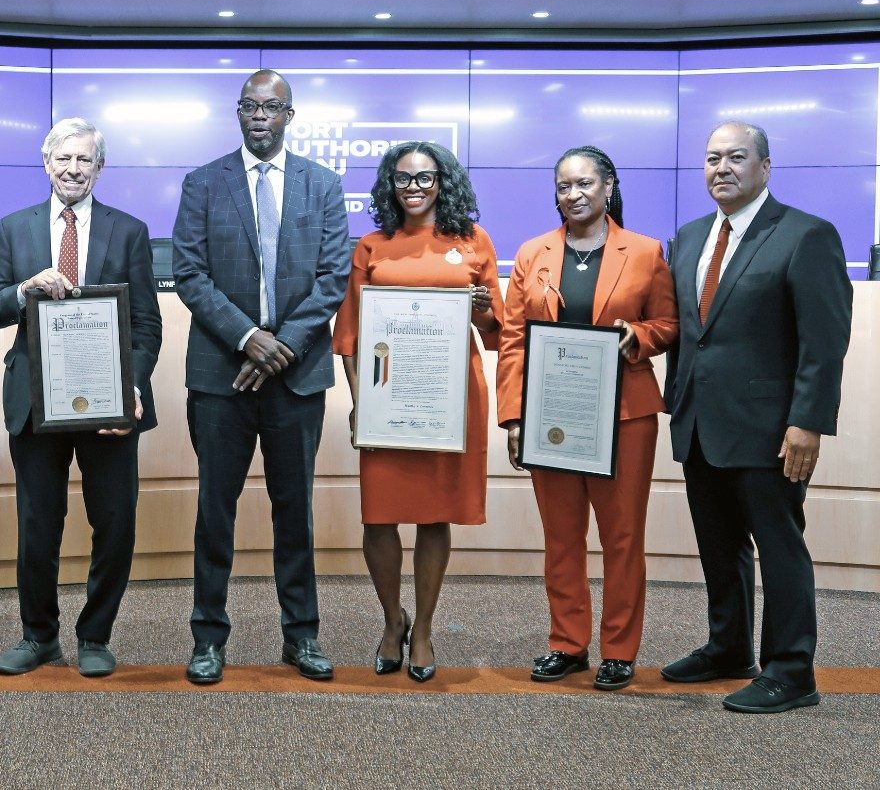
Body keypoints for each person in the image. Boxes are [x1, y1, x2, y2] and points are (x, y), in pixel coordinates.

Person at [661, 122, 851, 713]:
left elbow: (825, 340)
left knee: (779, 547)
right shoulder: (689, 237)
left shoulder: (805, 234)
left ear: (764, 167)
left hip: (772, 430)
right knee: (720, 546)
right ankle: (729, 648)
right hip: (699, 423)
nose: (722, 167)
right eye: (712, 157)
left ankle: (791, 671)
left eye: (736, 157)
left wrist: (808, 422)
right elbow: (690, 332)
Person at [172, 69, 351, 685]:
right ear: (238, 112)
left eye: (270, 107)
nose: (259, 116)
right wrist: (249, 337)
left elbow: (333, 277)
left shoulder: (323, 185)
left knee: (294, 510)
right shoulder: (203, 182)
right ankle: (207, 638)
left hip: (297, 377)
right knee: (214, 511)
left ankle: (301, 636)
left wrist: (284, 344)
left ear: (289, 116)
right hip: (221, 374)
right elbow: (189, 272)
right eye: (249, 106)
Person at [0, 118, 161, 678]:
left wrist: (131, 387)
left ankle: (95, 635)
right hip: (36, 401)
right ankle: (38, 636)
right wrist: (22, 290)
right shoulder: (13, 227)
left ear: (99, 169)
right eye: (63, 158)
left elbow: (146, 324)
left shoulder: (128, 231)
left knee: (115, 523)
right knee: (38, 525)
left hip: (108, 402)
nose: (73, 169)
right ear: (46, 163)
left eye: (84, 160)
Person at [496, 146, 678, 691]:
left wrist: (637, 336)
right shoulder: (533, 253)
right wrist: (514, 417)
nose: (572, 195)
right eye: (563, 186)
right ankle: (568, 644)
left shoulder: (644, 251)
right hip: (550, 415)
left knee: (622, 537)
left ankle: (618, 650)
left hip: (625, 417)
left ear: (608, 186)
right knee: (561, 537)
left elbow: (668, 324)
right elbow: (513, 339)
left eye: (583, 184)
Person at [332, 141, 503, 683]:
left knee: (434, 514)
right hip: (386, 397)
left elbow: (496, 327)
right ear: (390, 185)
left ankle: (423, 628)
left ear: (442, 183)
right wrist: (359, 404)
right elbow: (351, 333)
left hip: (449, 397)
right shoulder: (372, 245)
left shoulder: (473, 240)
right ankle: (392, 621)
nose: (414, 187)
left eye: (425, 178)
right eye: (403, 178)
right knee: (379, 516)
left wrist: (482, 308)